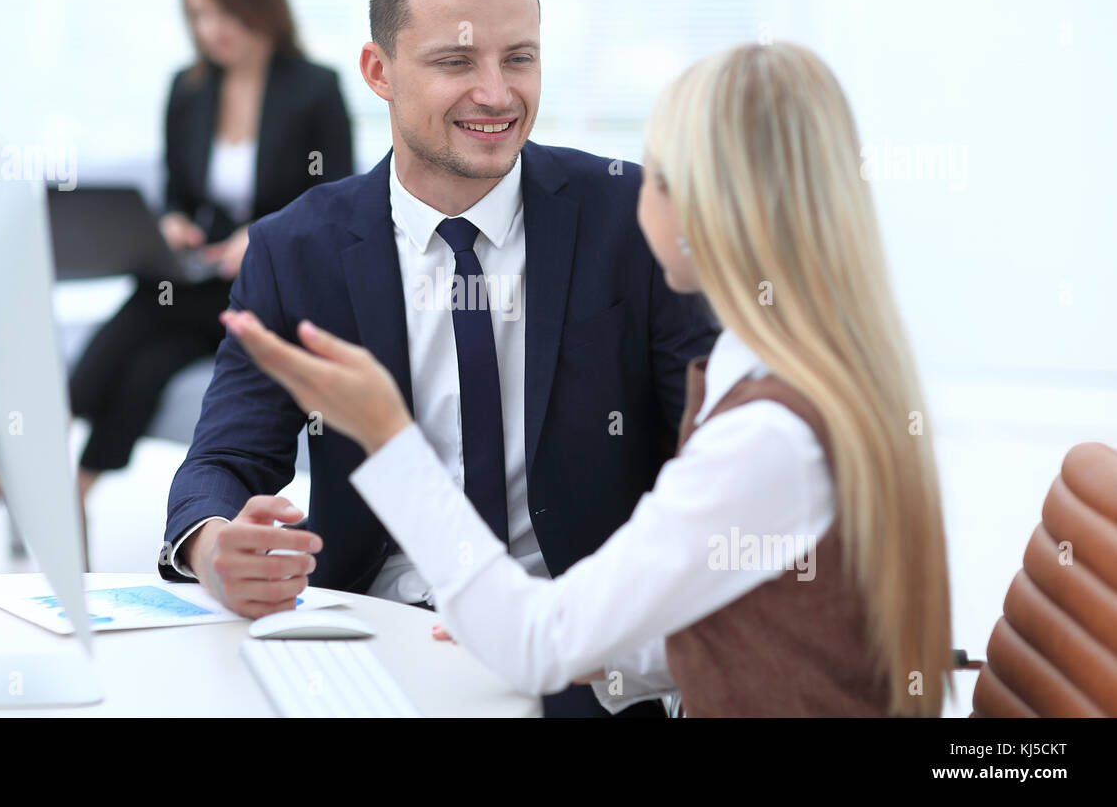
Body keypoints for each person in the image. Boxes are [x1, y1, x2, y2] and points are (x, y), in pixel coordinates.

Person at [225, 41, 955, 717]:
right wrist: (555, 632)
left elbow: (538, 646)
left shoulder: (768, 437)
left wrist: (386, 435)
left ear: (702, 212)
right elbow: (715, 617)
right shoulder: (800, 380)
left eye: (656, 174)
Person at [160, 0, 719, 718]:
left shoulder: (631, 216)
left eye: (518, 58)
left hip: (578, 649)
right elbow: (226, 454)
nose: (497, 93)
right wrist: (213, 543)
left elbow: (713, 448)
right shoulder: (297, 249)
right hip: (373, 631)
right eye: (457, 62)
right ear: (378, 72)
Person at [0, 0, 354, 545]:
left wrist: (263, 235)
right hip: (198, 282)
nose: (211, 29)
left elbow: (336, 199)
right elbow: (177, 194)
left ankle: (27, 455)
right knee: (146, 361)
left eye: (224, 11)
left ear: (261, 5)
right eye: (198, 14)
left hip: (271, 283)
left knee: (143, 321)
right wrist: (172, 225)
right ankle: (74, 490)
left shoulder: (313, 89)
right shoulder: (190, 90)